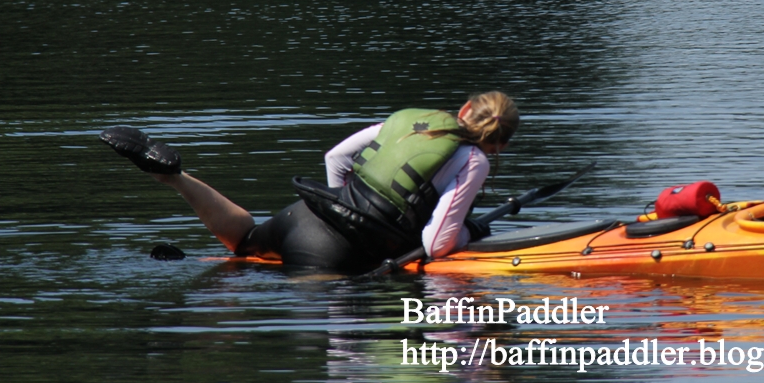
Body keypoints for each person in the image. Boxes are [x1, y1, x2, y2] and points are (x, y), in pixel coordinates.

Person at [100, 92, 519, 271]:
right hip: (331, 252)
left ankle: (175, 178)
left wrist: (342, 205)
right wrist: (469, 230)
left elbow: (335, 156)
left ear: (464, 109)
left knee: (245, 245)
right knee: (268, 280)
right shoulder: (474, 160)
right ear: (499, 145)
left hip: (304, 216)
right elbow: (437, 243)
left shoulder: (409, 121)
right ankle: (197, 277)